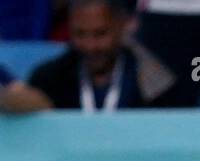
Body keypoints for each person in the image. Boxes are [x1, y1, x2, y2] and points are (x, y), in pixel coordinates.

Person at [9, 0, 175, 113]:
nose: (90, 46)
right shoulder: (47, 79)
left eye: (100, 34)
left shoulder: (156, 86)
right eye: (80, 34)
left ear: (123, 26)